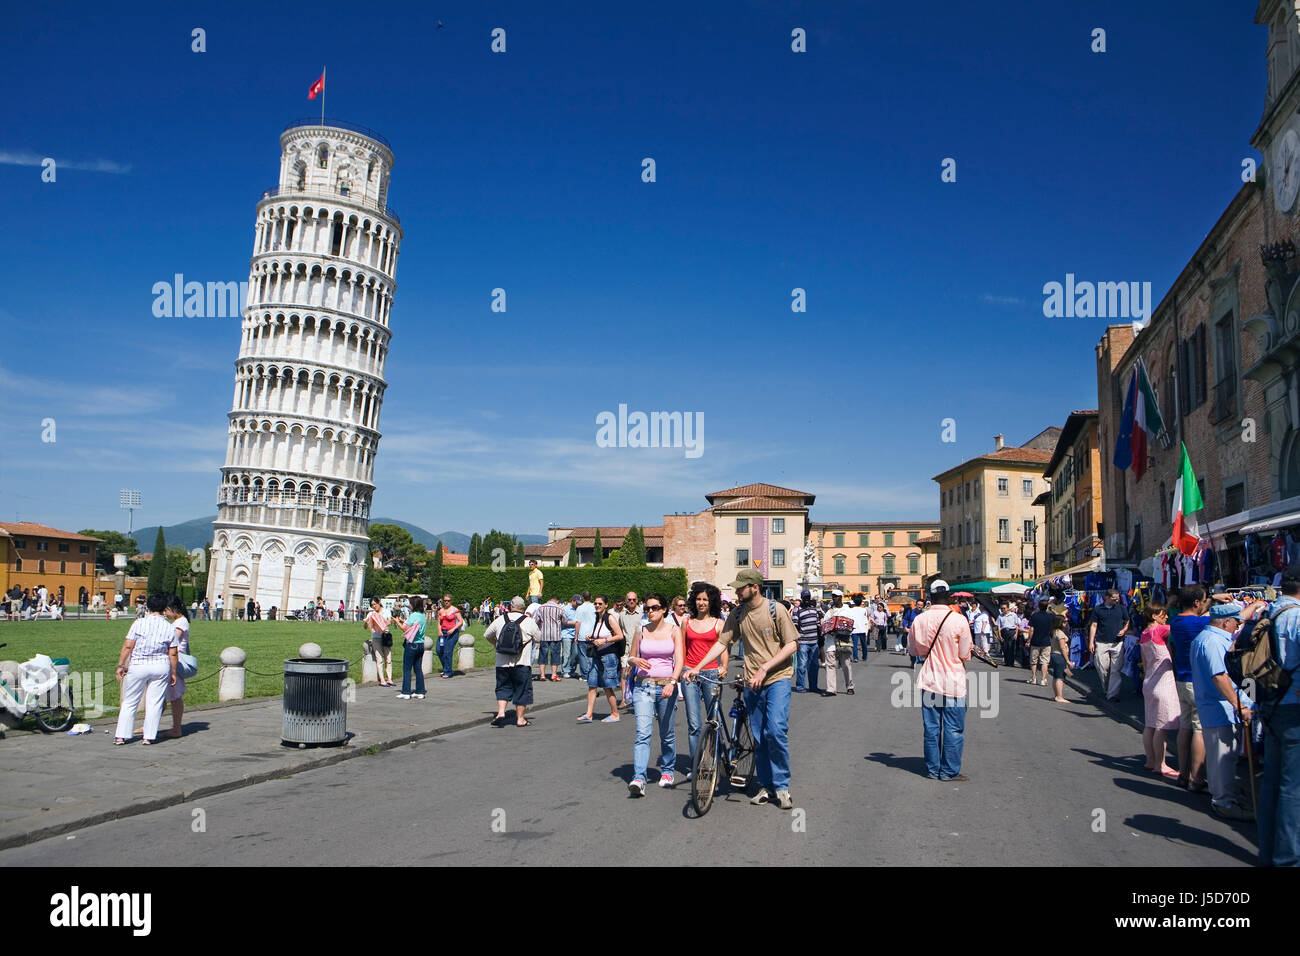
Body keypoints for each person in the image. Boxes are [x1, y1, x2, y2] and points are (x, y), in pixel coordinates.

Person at [685, 569, 799, 810]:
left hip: (777, 677)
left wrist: (765, 668)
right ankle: (767, 787)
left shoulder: (775, 610)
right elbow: (721, 642)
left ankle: (782, 786)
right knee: (759, 737)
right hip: (751, 681)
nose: (736, 591)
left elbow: (791, 645)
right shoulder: (737, 614)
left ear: (754, 587)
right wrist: (698, 666)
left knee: (775, 731)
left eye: (740, 587)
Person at [1191, 601, 1267, 820]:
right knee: (1222, 758)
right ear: (1226, 622)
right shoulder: (1214, 642)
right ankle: (1224, 802)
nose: (1237, 626)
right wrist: (1239, 705)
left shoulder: (1206, 637)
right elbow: (1220, 677)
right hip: (1219, 708)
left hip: (1215, 707)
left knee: (1223, 757)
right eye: (1236, 622)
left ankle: (1224, 795)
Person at [907, 580, 973, 781]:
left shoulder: (920, 619)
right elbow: (965, 654)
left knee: (931, 728)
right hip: (953, 681)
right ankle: (948, 771)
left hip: (929, 679)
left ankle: (933, 769)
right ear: (950, 596)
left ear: (930, 596)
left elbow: (914, 650)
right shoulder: (959, 620)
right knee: (954, 729)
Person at [1260, 577, 1300, 866]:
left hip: (1271, 703)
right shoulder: (1297, 617)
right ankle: (1287, 858)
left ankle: (1268, 850)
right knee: (1292, 789)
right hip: (1293, 707)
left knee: (1271, 783)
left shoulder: (1269, 613)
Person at [626, 592, 684, 794]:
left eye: (655, 608)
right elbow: (631, 656)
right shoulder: (640, 630)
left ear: (664, 609)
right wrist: (634, 660)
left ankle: (667, 770)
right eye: (647, 608)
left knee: (667, 733)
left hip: (667, 686)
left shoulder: (674, 631)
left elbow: (680, 661)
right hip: (644, 686)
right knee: (643, 732)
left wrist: (673, 682)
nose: (650, 611)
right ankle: (638, 778)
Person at [113, 593, 179, 745]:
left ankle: (121, 736)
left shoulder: (139, 623)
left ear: (148, 606)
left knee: (130, 701)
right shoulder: (169, 627)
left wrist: (121, 665)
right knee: (154, 702)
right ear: (164, 608)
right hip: (160, 665)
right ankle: (149, 736)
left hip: (139, 664)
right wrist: (173, 672)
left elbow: (128, 646)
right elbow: (173, 652)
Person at [680, 581, 728, 775]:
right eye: (698, 599)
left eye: (705, 600)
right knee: (693, 723)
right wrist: (683, 668)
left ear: (711, 602)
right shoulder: (687, 622)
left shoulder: (718, 623)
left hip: (710, 673)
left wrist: (723, 666)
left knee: (713, 720)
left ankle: (714, 759)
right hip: (690, 674)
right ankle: (697, 765)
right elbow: (682, 647)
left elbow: (723, 647)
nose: (701, 603)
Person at [1169, 585, 1211, 792]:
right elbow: (1215, 618)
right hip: (1198, 681)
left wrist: (1209, 600)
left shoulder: (1176, 621)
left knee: (1185, 727)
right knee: (1199, 730)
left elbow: (1200, 612)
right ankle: (1197, 777)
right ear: (1197, 603)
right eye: (1203, 600)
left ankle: (1183, 774)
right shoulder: (1203, 623)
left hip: (1182, 679)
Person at [1139, 604, 1179, 778]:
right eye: (1163, 614)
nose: (1167, 617)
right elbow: (1181, 626)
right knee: (1161, 727)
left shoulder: (1144, 634)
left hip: (1148, 681)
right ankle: (1160, 764)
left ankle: (1150, 760)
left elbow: (1145, 662)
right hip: (1163, 682)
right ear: (1154, 616)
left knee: (1150, 725)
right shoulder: (1159, 631)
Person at [486, 596, 539, 727]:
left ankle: (501, 712)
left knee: (502, 687)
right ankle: (520, 719)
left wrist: (496, 645)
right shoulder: (528, 621)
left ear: (510, 607)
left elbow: (487, 634)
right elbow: (539, 637)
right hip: (522, 662)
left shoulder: (500, 619)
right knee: (522, 689)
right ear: (523, 608)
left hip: (502, 661)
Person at [577, 595, 624, 722]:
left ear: (606, 605)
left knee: (607, 686)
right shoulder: (598, 618)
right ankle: (589, 714)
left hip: (608, 656)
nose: (597, 605)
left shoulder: (610, 618)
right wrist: (591, 637)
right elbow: (599, 634)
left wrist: (604, 640)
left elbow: (620, 635)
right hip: (597, 655)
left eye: (600, 604)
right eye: (596, 603)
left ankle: (615, 713)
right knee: (592, 684)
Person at [1089, 588, 1130, 701]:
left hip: (1117, 643)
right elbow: (1094, 625)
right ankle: (1107, 688)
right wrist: (1091, 642)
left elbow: (1127, 621)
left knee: (1115, 670)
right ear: (1106, 597)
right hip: (1101, 642)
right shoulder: (1098, 609)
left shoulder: (1121, 608)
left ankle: (1112, 694)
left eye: (1117, 599)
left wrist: (1124, 630)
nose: (1116, 601)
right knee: (1102, 668)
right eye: (1114, 599)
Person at [163, 595, 191, 739]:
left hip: (175, 660)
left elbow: (173, 639)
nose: (165, 613)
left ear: (174, 609)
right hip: (171, 659)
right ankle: (151, 724)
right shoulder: (178, 621)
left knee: (175, 696)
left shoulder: (181, 622)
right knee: (162, 696)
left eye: (167, 610)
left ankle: (176, 728)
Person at [393, 596, 427, 700]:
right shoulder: (422, 615)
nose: (409, 605)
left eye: (410, 603)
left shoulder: (413, 615)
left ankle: (406, 691)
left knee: (407, 669)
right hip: (421, 644)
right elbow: (413, 626)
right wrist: (403, 620)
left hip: (411, 644)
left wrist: (397, 622)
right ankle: (420, 691)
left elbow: (405, 629)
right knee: (418, 669)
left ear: (414, 605)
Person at [821, 591, 855, 696]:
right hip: (831, 641)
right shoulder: (829, 612)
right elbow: (824, 625)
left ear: (841, 597)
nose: (834, 599)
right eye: (833, 597)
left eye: (836, 597)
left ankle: (849, 686)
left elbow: (851, 625)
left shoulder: (847, 610)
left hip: (843, 641)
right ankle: (831, 689)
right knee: (830, 665)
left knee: (846, 664)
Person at [792, 589, 822, 693]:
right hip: (803, 641)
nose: (806, 600)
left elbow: (819, 622)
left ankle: (813, 686)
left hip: (814, 641)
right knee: (802, 665)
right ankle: (800, 686)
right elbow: (794, 625)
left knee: (814, 666)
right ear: (801, 599)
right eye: (805, 598)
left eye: (808, 598)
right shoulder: (797, 609)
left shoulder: (814, 609)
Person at [534, 595, 566, 681]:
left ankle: (542, 675)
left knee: (542, 655)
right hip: (555, 635)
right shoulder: (559, 608)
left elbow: (536, 621)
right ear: (557, 601)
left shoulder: (541, 608)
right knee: (555, 655)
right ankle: (554, 675)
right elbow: (564, 621)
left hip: (544, 635)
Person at [364, 597, 395, 686]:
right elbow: (365, 627)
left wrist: (383, 622)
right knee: (379, 659)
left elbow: (390, 621)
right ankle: (382, 679)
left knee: (388, 658)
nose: (374, 606)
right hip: (376, 637)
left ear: (379, 602)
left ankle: (389, 678)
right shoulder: (371, 614)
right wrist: (366, 623)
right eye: (372, 605)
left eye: (375, 604)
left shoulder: (386, 611)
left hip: (385, 636)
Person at [1026, 599, 1056, 686]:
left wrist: (1029, 639)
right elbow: (1058, 616)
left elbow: (1031, 629)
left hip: (1035, 641)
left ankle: (1034, 678)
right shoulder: (1050, 616)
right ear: (1047, 606)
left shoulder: (1034, 616)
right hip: (1047, 641)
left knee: (1033, 661)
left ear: (1038, 606)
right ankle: (1043, 679)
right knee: (1045, 662)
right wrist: (1052, 609)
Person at [435, 594, 464, 679]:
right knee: (439, 650)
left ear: (451, 601)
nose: (446, 602)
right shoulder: (441, 611)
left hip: (452, 633)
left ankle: (448, 671)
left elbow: (460, 622)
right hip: (443, 633)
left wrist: (453, 629)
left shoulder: (455, 610)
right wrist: (439, 630)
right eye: (445, 600)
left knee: (448, 651)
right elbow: (439, 622)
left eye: (448, 601)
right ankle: (446, 668)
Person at [1047, 606, 1073, 703]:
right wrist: (1067, 660)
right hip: (1059, 655)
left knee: (1056, 676)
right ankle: (1059, 696)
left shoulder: (1054, 632)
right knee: (1059, 677)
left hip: (1053, 654)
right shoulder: (1060, 634)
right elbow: (1063, 648)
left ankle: (1057, 695)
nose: (1066, 624)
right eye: (1064, 622)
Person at [560, 593, 581, 679]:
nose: (578, 605)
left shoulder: (578, 609)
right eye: (577, 603)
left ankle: (572, 670)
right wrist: (575, 623)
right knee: (566, 654)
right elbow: (562, 622)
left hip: (575, 634)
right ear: (572, 601)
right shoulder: (565, 609)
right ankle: (565, 670)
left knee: (575, 653)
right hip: (566, 634)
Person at [997, 602, 1021, 667]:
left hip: (1012, 631)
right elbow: (999, 626)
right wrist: (1000, 635)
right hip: (1004, 632)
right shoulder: (1000, 616)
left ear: (1008, 608)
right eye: (1001, 608)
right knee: (1005, 647)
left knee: (1011, 647)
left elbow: (1017, 625)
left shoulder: (1013, 615)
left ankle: (1011, 662)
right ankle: (1007, 662)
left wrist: (1016, 634)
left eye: (1004, 608)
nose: (1002, 610)